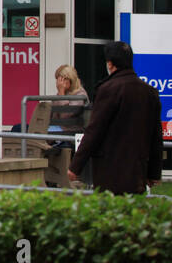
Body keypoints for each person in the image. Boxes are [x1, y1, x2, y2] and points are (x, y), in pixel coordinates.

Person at [68, 41, 163, 195]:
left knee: (111, 213)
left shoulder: (108, 89)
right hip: (138, 170)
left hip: (110, 170)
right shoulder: (149, 92)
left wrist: (75, 166)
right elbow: (156, 136)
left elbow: (95, 130)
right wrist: (154, 173)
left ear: (110, 64)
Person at [49, 64, 88, 134]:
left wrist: (61, 92)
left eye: (61, 79)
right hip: (57, 128)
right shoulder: (62, 93)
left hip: (71, 131)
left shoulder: (80, 94)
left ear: (70, 79)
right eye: (58, 79)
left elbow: (65, 115)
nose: (59, 83)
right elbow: (54, 116)